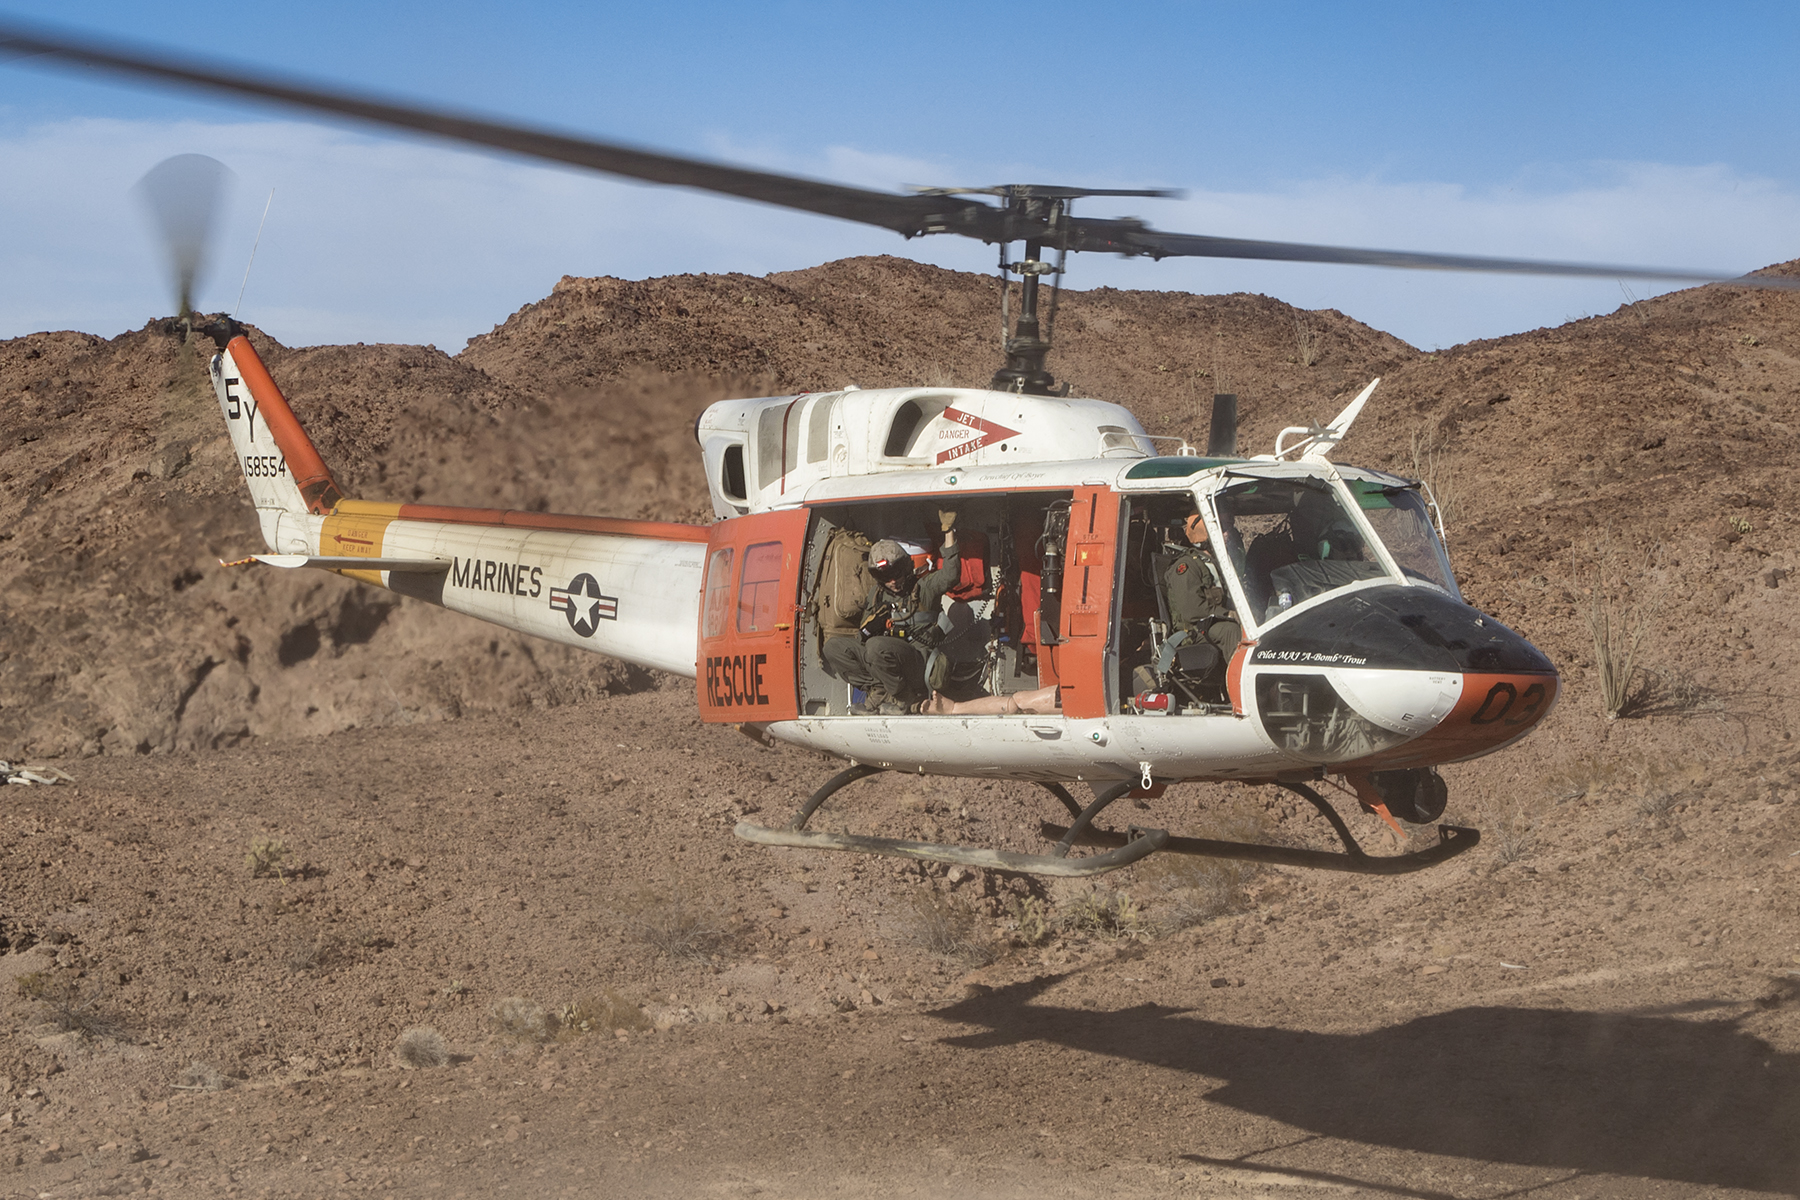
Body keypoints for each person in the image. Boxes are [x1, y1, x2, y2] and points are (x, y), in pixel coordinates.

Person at [823, 511, 960, 714]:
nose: (893, 582)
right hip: (886, 662)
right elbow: (863, 638)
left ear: (905, 568)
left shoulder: (924, 587)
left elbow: (951, 574)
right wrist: (870, 629)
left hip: (918, 661)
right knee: (834, 647)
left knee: (877, 646)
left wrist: (948, 532)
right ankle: (879, 691)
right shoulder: (876, 595)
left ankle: (905, 700)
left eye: (896, 574)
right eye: (884, 577)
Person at [1141, 513, 1240, 694]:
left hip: (1209, 624)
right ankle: (1240, 691)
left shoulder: (1215, 564)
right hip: (1192, 631)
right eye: (1222, 529)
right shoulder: (1186, 567)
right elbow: (1192, 611)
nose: (1228, 533)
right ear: (1204, 536)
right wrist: (1228, 615)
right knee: (1230, 631)